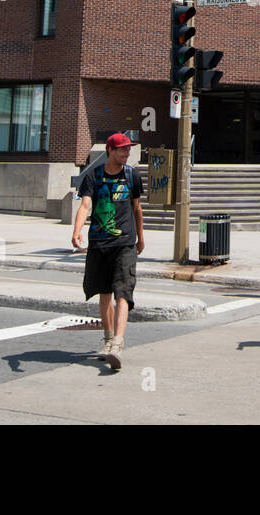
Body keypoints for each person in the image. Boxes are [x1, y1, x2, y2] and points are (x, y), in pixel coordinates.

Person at [71, 133, 145, 371]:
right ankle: (107, 338)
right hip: (100, 243)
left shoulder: (132, 175)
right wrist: (76, 230)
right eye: (123, 150)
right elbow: (85, 205)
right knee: (104, 293)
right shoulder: (93, 175)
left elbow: (137, 209)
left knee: (123, 292)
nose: (127, 153)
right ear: (110, 151)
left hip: (124, 243)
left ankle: (117, 344)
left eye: (129, 149)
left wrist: (141, 238)